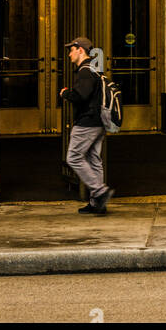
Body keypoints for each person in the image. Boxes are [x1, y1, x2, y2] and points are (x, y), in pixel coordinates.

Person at [59, 36, 114, 215]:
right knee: (93, 159)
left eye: (71, 50)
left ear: (80, 50)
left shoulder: (85, 70)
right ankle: (97, 204)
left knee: (73, 157)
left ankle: (99, 192)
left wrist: (66, 93)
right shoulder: (95, 69)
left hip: (87, 121)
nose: (69, 54)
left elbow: (81, 96)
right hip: (99, 122)